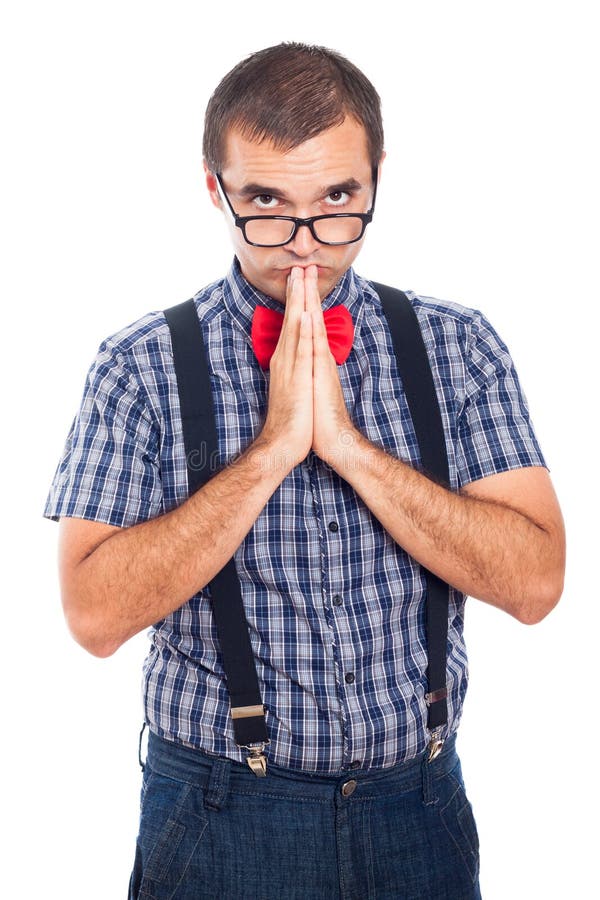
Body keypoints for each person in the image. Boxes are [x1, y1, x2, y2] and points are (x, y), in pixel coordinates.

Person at [44, 42, 565, 899]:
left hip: (420, 810)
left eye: (337, 199)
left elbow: (537, 585)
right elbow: (93, 618)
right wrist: (274, 448)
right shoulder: (137, 368)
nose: (304, 245)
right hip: (218, 811)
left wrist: (351, 450)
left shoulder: (460, 348)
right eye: (264, 202)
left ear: (377, 180)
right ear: (215, 187)